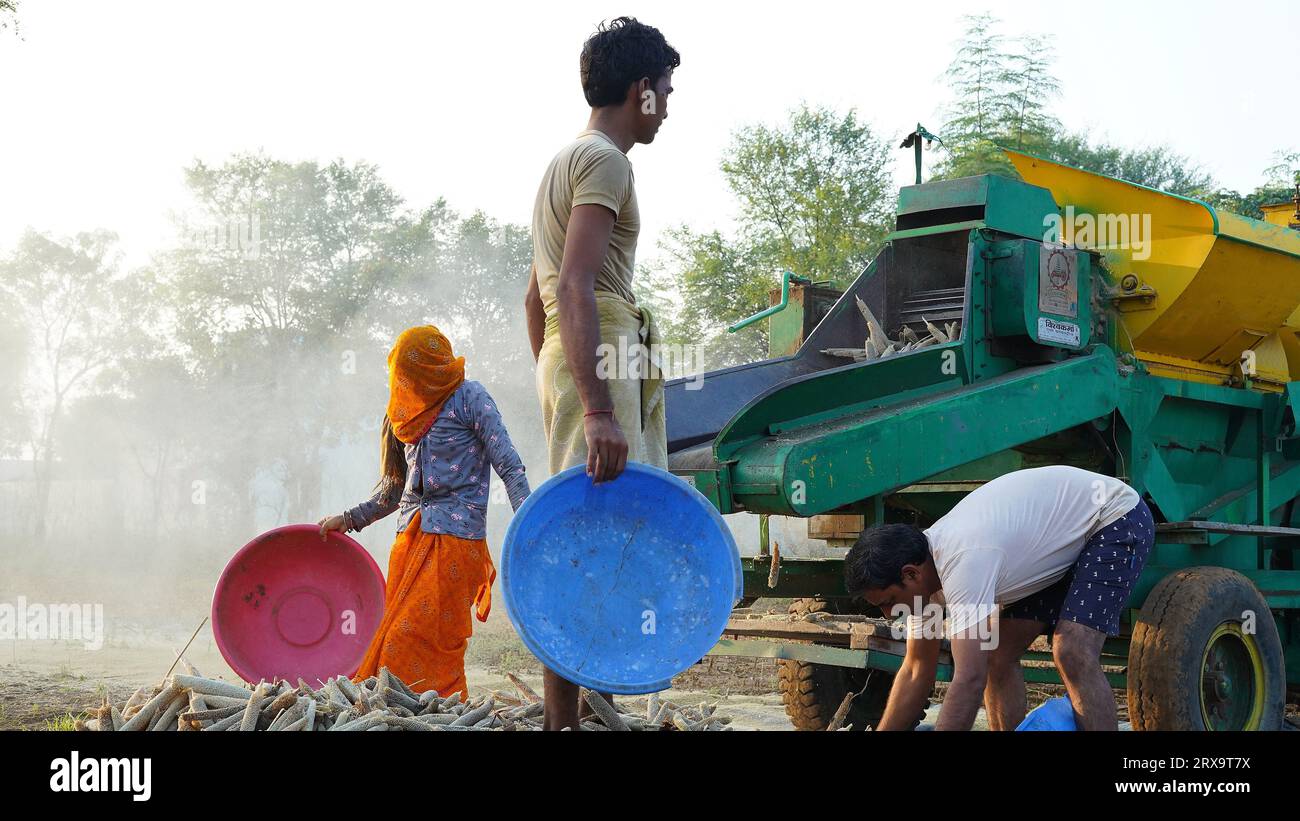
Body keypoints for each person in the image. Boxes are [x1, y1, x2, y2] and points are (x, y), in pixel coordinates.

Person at [524, 16, 678, 730]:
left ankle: (572, 719)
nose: (669, 106)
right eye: (666, 91)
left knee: (580, 539)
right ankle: (587, 715)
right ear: (639, 90)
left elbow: (538, 298)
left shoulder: (562, 162)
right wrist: (595, 406)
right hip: (601, 353)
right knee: (608, 544)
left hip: (573, 354)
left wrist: (558, 379)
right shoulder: (606, 162)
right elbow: (577, 284)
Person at [844, 465, 1155, 731]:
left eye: (888, 601)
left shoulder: (963, 562)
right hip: (1057, 540)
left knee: (1072, 650)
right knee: (997, 654)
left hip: (1112, 517)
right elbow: (916, 669)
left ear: (910, 574)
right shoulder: (922, 582)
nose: (888, 614)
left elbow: (969, 679)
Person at [318, 325, 530, 699]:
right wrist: (348, 519)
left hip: (456, 541)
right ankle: (422, 716)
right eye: (401, 377)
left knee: (414, 640)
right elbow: (394, 493)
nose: (405, 384)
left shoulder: (470, 398)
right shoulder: (403, 417)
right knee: (390, 641)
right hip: (409, 541)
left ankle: (446, 711)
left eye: (411, 375)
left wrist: (531, 524)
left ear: (433, 369)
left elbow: (510, 467)